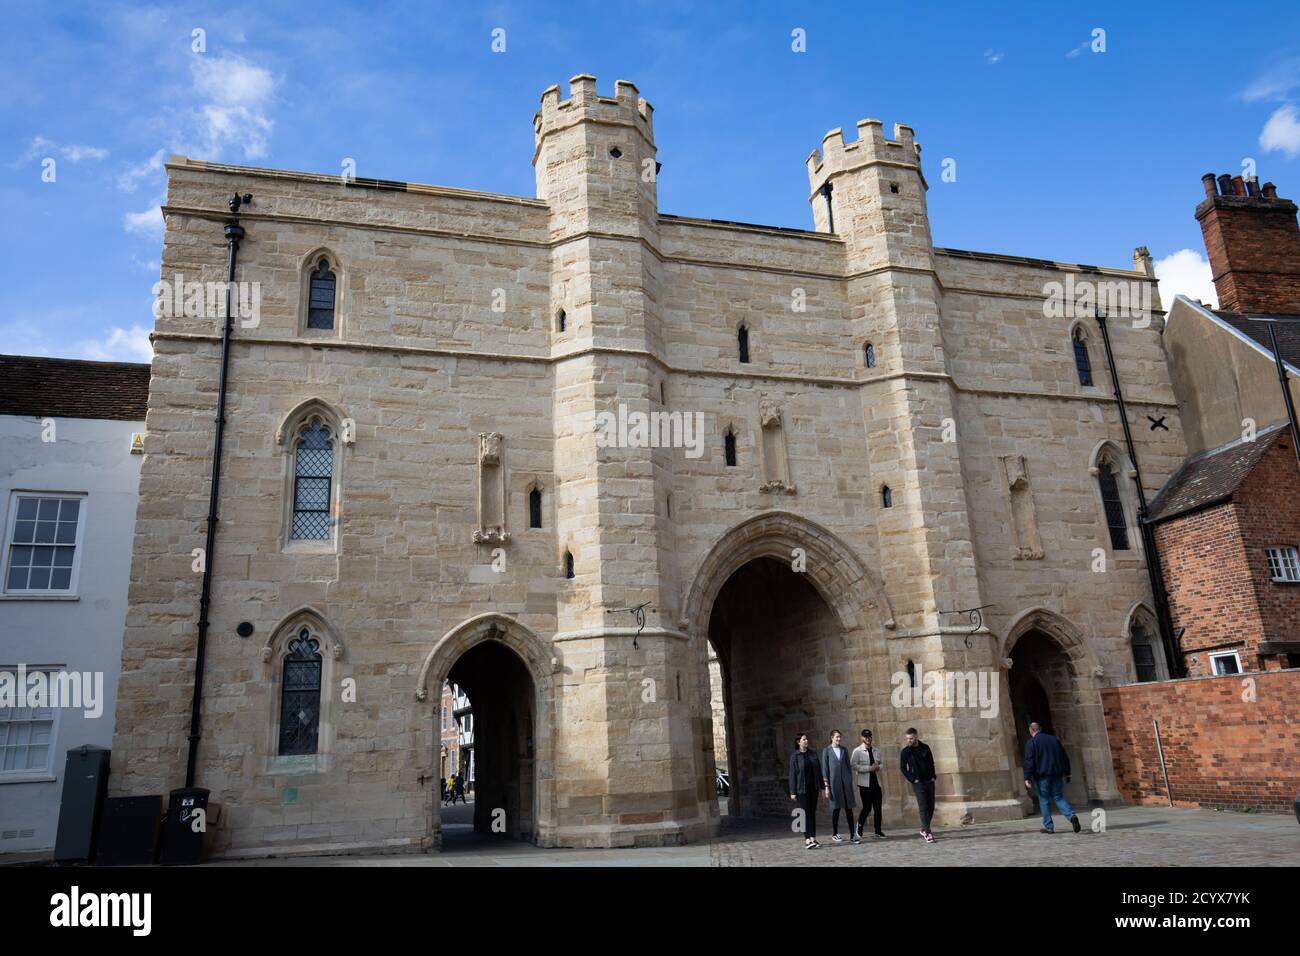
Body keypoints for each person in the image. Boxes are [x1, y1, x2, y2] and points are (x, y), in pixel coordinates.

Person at [1023, 721, 1081, 834]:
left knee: (1044, 800)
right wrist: (1068, 773)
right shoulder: (1054, 740)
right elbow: (1064, 757)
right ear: (1040, 729)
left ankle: (1049, 827)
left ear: (1031, 731)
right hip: (1056, 774)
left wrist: (1027, 777)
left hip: (1042, 776)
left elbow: (1029, 762)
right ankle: (1072, 816)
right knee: (1058, 797)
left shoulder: (1031, 743)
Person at [900, 727, 937, 843]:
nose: (909, 741)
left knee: (931, 806)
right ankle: (928, 832)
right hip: (918, 783)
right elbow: (902, 767)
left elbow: (931, 763)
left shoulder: (925, 748)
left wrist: (933, 776)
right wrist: (912, 779)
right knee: (923, 807)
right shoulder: (906, 751)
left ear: (916, 737)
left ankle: (924, 828)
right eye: (907, 739)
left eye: (911, 738)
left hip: (929, 781)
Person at [821, 729, 858, 844]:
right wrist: (826, 786)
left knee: (849, 809)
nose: (839, 739)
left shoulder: (844, 750)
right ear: (831, 737)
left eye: (840, 737)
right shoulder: (826, 751)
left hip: (845, 783)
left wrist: (849, 780)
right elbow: (825, 769)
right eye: (837, 737)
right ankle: (835, 833)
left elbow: (847, 765)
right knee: (836, 809)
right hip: (834, 784)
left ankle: (853, 835)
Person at [788, 733, 824, 849]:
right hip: (801, 789)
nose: (806, 741)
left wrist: (823, 787)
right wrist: (792, 791)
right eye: (804, 739)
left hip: (813, 788)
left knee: (812, 813)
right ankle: (807, 840)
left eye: (807, 739)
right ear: (798, 742)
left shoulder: (812, 754)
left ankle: (813, 838)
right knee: (805, 813)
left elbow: (819, 771)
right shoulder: (795, 756)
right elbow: (792, 774)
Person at [851, 728, 886, 839]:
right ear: (862, 738)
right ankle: (859, 827)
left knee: (878, 808)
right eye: (866, 737)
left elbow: (882, 764)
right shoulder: (857, 751)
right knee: (867, 807)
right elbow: (853, 765)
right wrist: (868, 768)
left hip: (876, 783)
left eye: (869, 736)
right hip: (865, 784)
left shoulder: (876, 750)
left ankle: (878, 830)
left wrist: (877, 767)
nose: (868, 738)